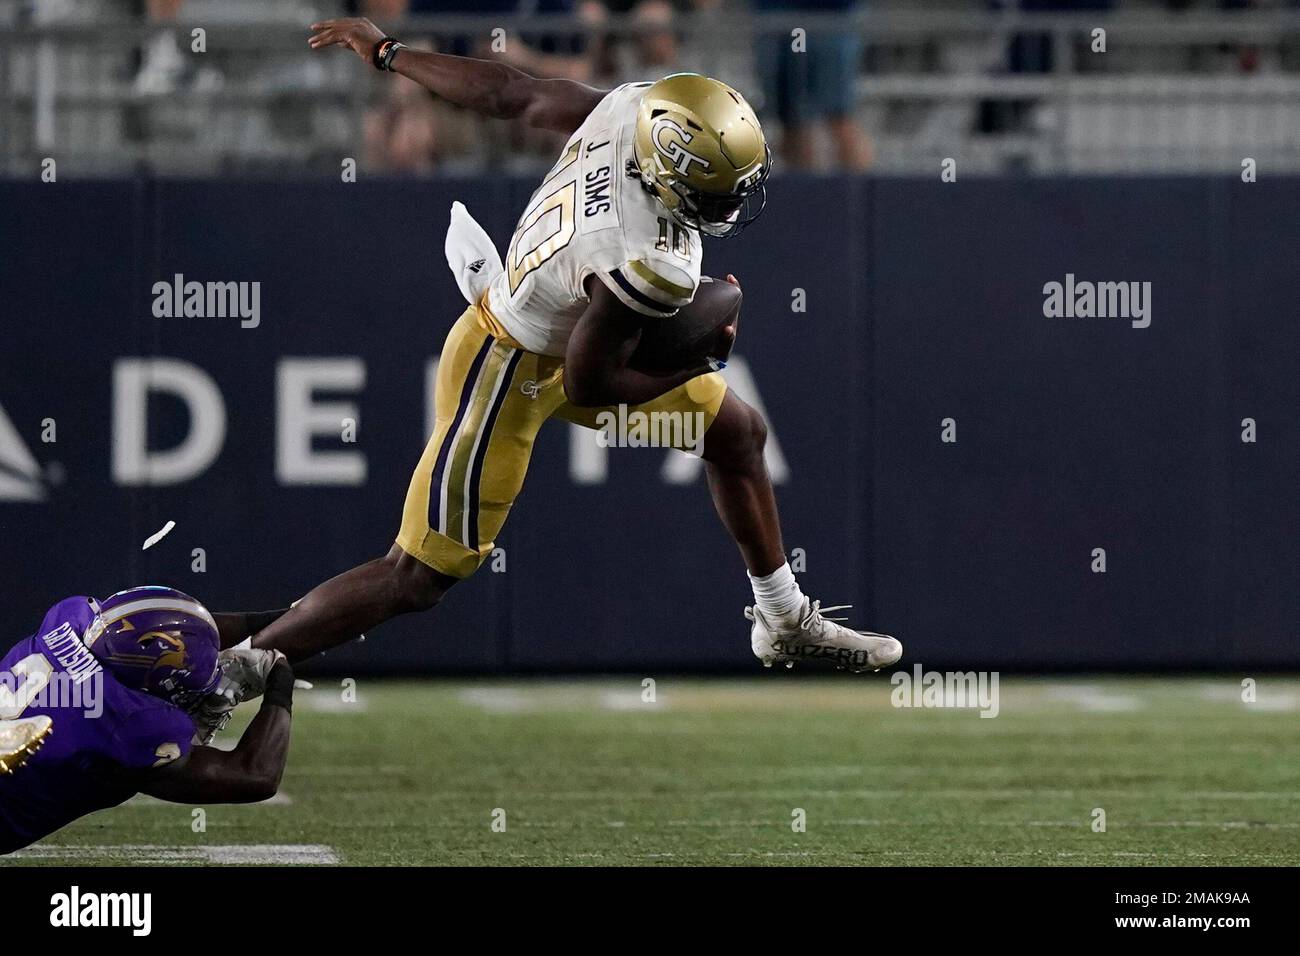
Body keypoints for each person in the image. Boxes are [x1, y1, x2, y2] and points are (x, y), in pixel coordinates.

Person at [236, 17, 901, 692]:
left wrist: (390, 53)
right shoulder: (643, 257)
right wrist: (700, 361)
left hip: (570, 326)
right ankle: (226, 674)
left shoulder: (634, 114)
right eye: (717, 188)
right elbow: (589, 383)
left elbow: (511, 92)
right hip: (510, 364)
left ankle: (781, 616)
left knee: (736, 433)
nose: (732, 201)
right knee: (419, 575)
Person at [0, 587, 294, 854]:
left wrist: (282, 619)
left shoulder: (70, 618)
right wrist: (280, 685)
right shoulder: (134, 723)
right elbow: (256, 776)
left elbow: (144, 627)